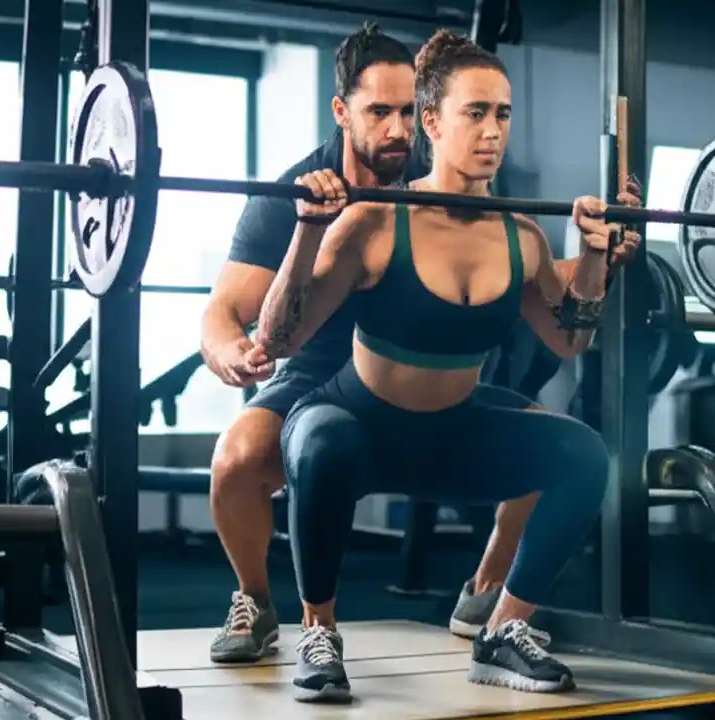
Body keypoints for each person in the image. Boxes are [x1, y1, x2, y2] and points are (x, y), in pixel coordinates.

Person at [199, 22, 630, 665]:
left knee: (573, 449)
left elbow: (556, 309)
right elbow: (246, 320)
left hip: (440, 386)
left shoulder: (511, 227)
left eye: (501, 115)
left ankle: (493, 608)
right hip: (324, 369)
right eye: (382, 113)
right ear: (345, 113)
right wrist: (237, 346)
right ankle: (264, 606)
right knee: (248, 455)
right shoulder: (314, 201)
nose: (397, 129)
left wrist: (598, 257)